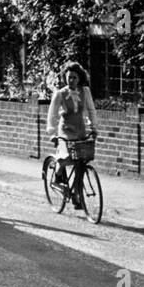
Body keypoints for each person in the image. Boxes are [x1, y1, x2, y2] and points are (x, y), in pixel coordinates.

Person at [47, 61, 98, 204]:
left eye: (74, 77)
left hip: (80, 130)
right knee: (66, 158)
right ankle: (57, 177)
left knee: (81, 162)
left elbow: (91, 110)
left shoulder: (85, 91)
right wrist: (52, 133)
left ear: (79, 78)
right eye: (69, 77)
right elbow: (52, 115)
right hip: (66, 131)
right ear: (65, 78)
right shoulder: (60, 94)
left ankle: (77, 194)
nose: (71, 80)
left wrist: (94, 128)